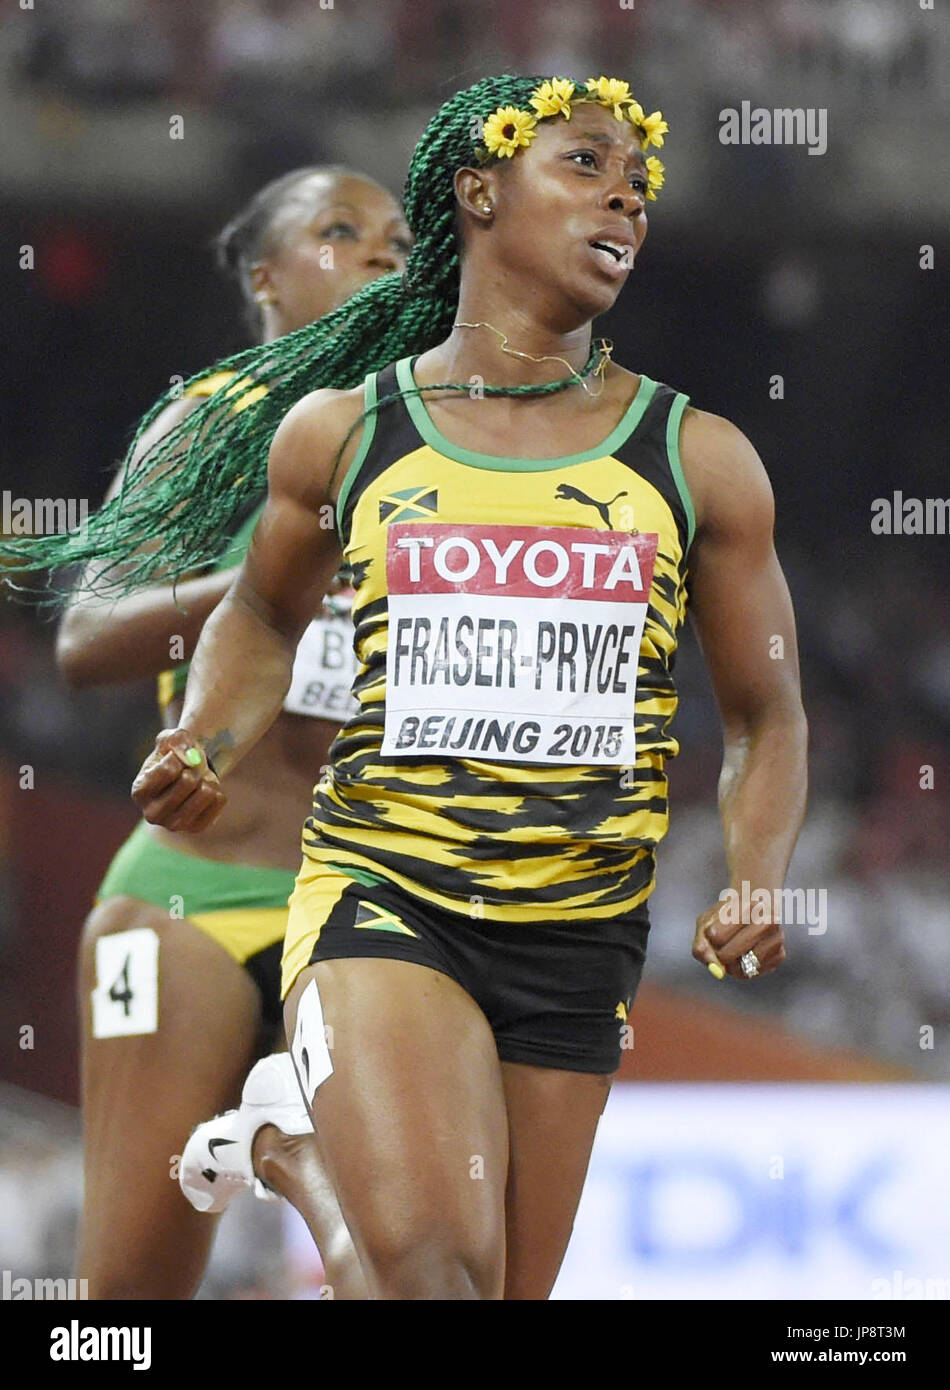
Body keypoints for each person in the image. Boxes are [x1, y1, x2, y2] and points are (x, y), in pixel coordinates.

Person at [13, 73, 806, 1301]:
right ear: (478, 194)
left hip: (575, 927)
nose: (625, 201)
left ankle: (280, 1134)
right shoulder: (302, 431)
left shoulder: (694, 455)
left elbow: (765, 710)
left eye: (638, 184)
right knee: (147, 1303)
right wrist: (204, 737)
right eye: (586, 166)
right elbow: (241, 615)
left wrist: (756, 875)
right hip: (338, 890)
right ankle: (288, 1147)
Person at [56, 165, 411, 1299]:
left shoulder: (441, 444)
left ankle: (264, 1144)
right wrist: (267, 577)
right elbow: (87, 638)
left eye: (401, 243)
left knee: (411, 1264)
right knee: (127, 1296)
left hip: (375, 908)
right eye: (340, 232)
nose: (379, 255)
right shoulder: (207, 428)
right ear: (264, 277)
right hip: (186, 904)